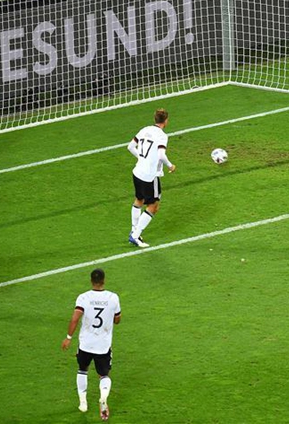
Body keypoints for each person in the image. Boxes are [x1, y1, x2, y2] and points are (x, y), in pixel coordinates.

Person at [62, 268, 121, 421]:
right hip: (103, 346)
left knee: (82, 370)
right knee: (104, 375)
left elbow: (75, 319)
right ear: (104, 280)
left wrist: (68, 337)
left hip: (85, 344)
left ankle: (83, 403)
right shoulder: (113, 298)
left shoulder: (83, 298)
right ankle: (103, 398)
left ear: (91, 281)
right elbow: (117, 319)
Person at [127, 108, 176, 248]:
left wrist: (142, 158)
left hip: (137, 171)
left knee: (139, 199)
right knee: (153, 206)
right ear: (166, 121)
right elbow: (161, 155)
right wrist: (170, 165)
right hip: (149, 176)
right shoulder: (162, 136)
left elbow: (130, 147)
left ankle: (133, 229)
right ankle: (135, 235)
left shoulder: (144, 129)